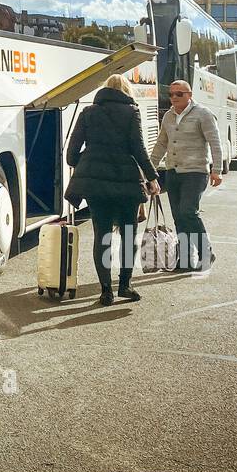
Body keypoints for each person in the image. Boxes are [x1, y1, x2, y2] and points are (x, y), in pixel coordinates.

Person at [66, 75, 161, 306]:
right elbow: (138, 149)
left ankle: (105, 291)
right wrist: (152, 177)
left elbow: (71, 154)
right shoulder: (131, 112)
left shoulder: (88, 113)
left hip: (95, 184)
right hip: (126, 181)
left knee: (102, 235)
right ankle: (125, 285)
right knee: (129, 234)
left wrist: (88, 162)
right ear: (126, 90)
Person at [149, 79, 224, 273]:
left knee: (188, 212)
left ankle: (206, 252)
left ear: (189, 95)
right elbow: (160, 145)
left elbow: (215, 143)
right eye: (171, 94)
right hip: (173, 172)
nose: (174, 98)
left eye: (179, 94)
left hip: (196, 172)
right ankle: (184, 259)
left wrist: (217, 169)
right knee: (178, 217)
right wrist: (149, 171)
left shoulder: (203, 114)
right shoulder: (168, 116)